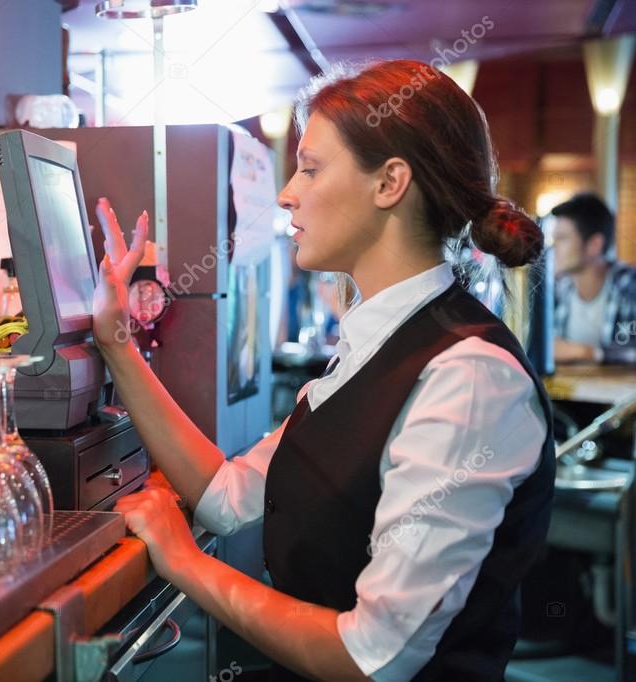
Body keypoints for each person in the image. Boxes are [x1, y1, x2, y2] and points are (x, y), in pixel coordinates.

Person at [93, 60, 555, 681]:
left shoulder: (468, 377)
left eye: (311, 168)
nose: (287, 193)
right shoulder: (375, 342)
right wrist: (117, 341)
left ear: (390, 182)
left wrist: (186, 563)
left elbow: (376, 656)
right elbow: (227, 497)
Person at [551, 193, 636, 365]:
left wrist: (588, 352)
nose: (553, 248)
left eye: (562, 239)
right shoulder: (557, 289)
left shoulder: (630, 284)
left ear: (594, 245)